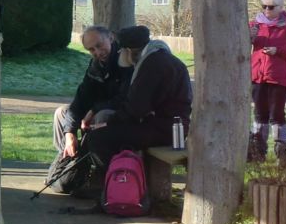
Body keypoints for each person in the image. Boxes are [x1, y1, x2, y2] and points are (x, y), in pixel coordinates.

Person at [81, 25, 192, 172]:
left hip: (166, 129)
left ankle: (117, 183)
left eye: (121, 51)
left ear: (129, 51)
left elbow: (136, 108)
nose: (120, 54)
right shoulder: (158, 58)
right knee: (105, 133)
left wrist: (109, 124)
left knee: (97, 139)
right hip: (166, 125)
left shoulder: (152, 65)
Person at [52, 26, 133, 159]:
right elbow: (82, 96)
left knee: (103, 115)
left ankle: (100, 165)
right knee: (61, 113)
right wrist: (69, 132)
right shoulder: (95, 65)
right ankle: (68, 161)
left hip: (120, 115)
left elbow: (124, 98)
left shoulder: (126, 60)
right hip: (97, 110)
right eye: (91, 49)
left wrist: (94, 110)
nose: (98, 52)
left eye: (99, 45)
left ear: (111, 38)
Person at [249, 0, 286, 164]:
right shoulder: (254, 25)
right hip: (257, 76)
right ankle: (258, 152)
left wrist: (277, 51)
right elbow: (240, 45)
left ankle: (281, 152)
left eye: (271, 7)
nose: (266, 10)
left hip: (279, 78)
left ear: (280, 7)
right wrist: (248, 37)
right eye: (263, 6)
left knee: (276, 114)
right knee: (259, 114)